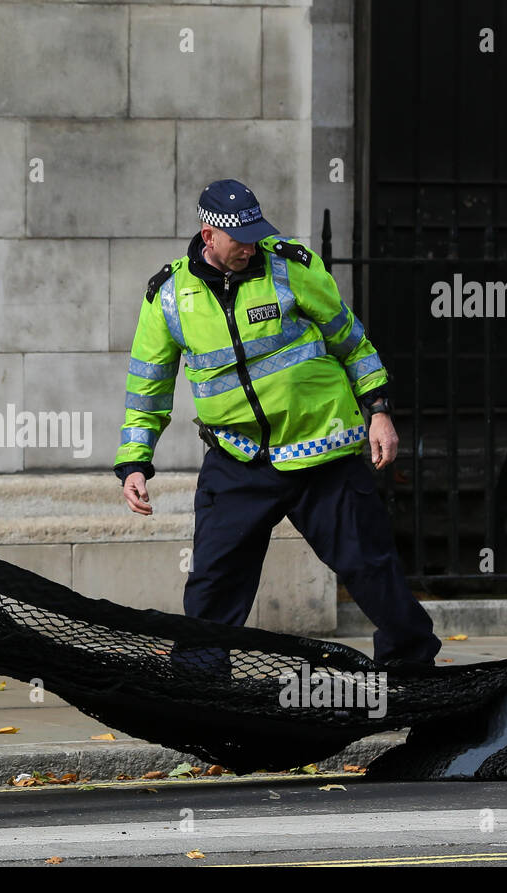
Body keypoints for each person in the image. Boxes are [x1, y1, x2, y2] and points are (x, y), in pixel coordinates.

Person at [114, 179, 440, 670]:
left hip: (322, 452)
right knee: (213, 582)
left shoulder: (291, 266)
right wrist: (135, 462)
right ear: (209, 236)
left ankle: (412, 669)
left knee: (371, 567)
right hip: (238, 459)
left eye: (255, 233)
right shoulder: (168, 296)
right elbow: (148, 386)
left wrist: (379, 411)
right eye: (239, 238)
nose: (250, 245)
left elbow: (351, 342)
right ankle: (200, 689)